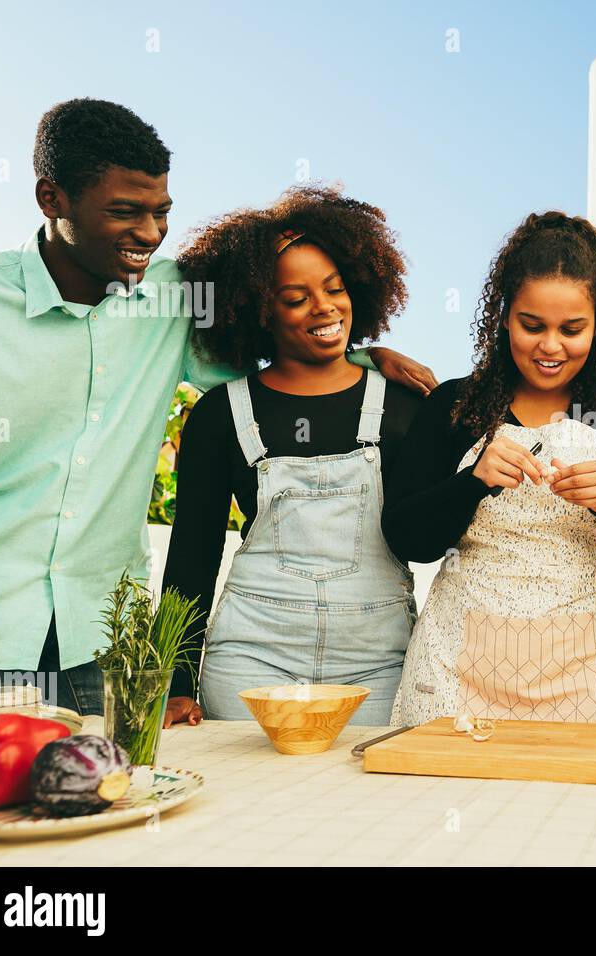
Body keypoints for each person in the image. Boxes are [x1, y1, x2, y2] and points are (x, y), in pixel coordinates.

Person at [0, 99, 435, 717]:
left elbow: (279, 356)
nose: (150, 234)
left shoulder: (177, 296)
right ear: (52, 200)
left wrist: (369, 358)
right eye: (124, 212)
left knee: (105, 802)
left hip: (104, 644)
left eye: (160, 213)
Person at [384, 211, 596, 725]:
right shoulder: (453, 406)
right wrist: (472, 482)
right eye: (532, 326)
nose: (550, 347)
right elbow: (408, 539)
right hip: (463, 669)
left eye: (572, 329)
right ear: (504, 316)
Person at [160, 186, 421, 725]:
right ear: (259, 312)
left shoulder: (403, 406)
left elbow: (430, 531)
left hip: (379, 663)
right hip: (251, 657)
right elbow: (192, 555)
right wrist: (177, 680)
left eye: (334, 288)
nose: (325, 308)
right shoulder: (218, 415)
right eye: (297, 298)